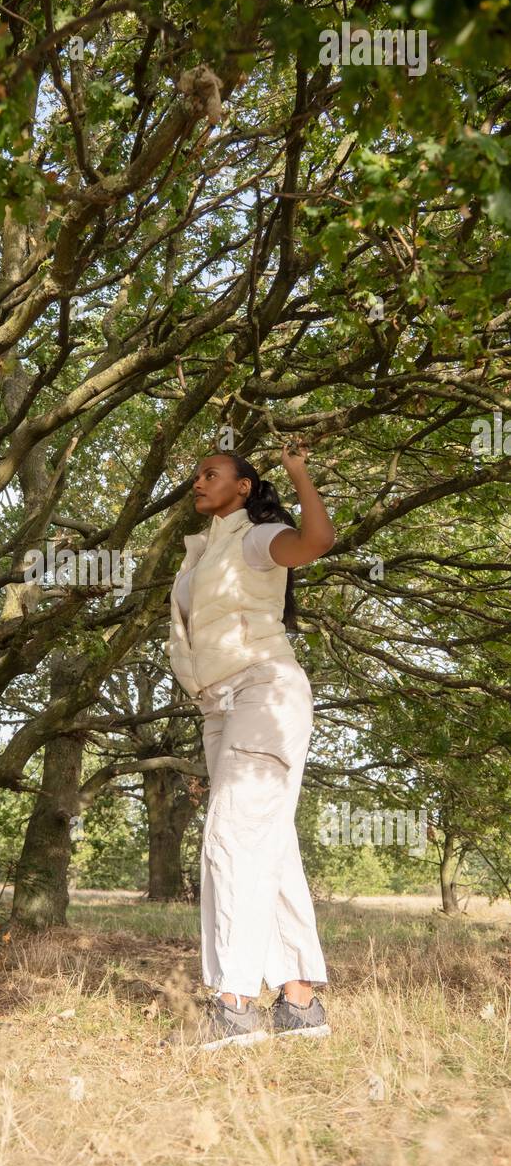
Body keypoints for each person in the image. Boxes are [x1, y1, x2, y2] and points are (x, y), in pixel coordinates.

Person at [165, 441, 335, 1050]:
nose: (198, 483)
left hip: (264, 690)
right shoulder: (198, 556)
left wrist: (298, 473)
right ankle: (299, 1000)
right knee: (270, 842)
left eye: (211, 474)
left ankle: (234, 1004)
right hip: (219, 706)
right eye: (194, 476)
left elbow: (317, 542)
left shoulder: (258, 539)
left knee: (234, 837)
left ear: (242, 487)